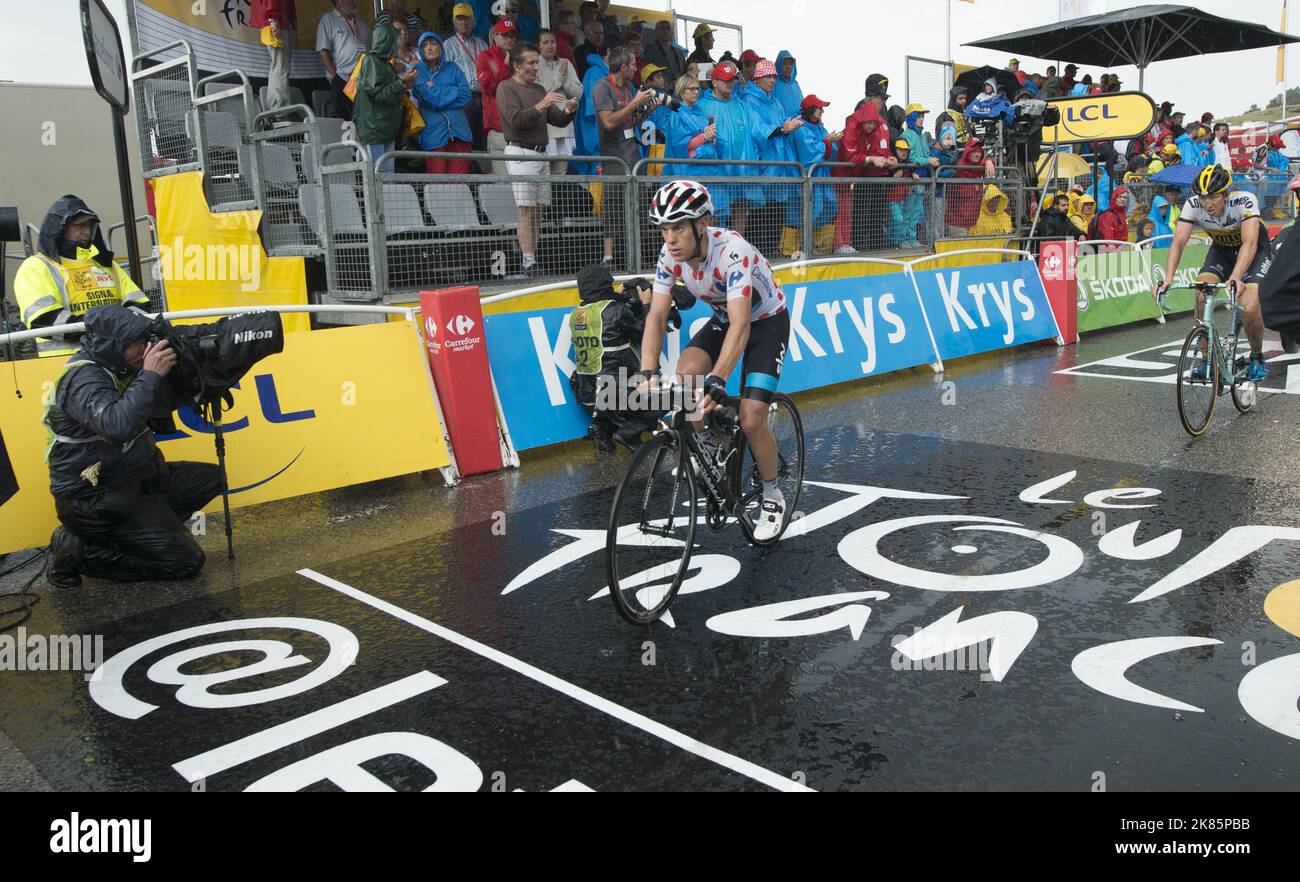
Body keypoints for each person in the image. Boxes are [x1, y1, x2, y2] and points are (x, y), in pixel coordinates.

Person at [637, 180, 792, 541]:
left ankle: (772, 492)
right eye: (663, 228)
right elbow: (657, 317)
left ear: (702, 224)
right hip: (725, 320)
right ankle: (705, 445)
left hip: (765, 323)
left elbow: (742, 323)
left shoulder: (732, 252)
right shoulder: (668, 258)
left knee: (753, 419)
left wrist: (719, 379)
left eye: (677, 227)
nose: (670, 238)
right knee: (687, 372)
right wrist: (646, 370)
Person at [42, 305, 224, 589]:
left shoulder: (123, 366)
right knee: (186, 562)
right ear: (113, 346)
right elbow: (118, 426)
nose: (146, 348)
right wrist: (150, 375)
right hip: (95, 499)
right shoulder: (84, 379)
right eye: (138, 344)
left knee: (210, 479)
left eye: (146, 341)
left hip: (135, 481)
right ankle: (80, 552)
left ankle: (146, 536)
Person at [1155, 165, 1273, 382]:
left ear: (1226, 194)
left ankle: (1257, 355)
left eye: (1213, 197)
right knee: (1201, 294)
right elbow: (1178, 242)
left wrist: (1236, 277)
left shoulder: (1244, 201)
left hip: (1254, 251)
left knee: (1250, 305)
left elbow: (1250, 242)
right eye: (1202, 197)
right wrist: (1168, 277)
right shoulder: (1193, 205)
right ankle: (1206, 360)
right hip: (1222, 250)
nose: (1207, 204)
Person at [15, 196, 152, 358]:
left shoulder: (105, 263)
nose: (86, 231)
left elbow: (140, 305)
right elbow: (43, 320)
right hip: (65, 364)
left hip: (116, 358)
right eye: (79, 226)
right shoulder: (36, 267)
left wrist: (113, 327)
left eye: (89, 225)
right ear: (60, 228)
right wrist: (107, 327)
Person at [497, 42, 579, 279]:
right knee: (525, 209)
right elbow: (515, 120)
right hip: (520, 153)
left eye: (536, 62)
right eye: (532, 63)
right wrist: (542, 104)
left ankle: (532, 259)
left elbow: (557, 120)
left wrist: (569, 110)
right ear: (517, 66)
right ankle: (528, 261)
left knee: (539, 209)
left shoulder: (538, 88)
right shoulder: (506, 88)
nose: (536, 67)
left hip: (542, 153)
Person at [568, 264, 664, 451]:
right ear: (605, 285)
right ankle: (629, 434)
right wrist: (646, 305)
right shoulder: (617, 311)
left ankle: (601, 428)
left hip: (587, 397)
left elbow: (603, 314)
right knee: (668, 397)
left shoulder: (576, 313)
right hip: (612, 396)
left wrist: (617, 297)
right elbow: (647, 334)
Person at [593, 45, 658, 270]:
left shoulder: (630, 86)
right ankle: (609, 258)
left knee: (638, 205)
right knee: (613, 205)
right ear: (622, 67)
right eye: (632, 64)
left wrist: (646, 111)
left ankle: (637, 253)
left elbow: (631, 121)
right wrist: (634, 104)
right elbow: (609, 122)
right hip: (613, 156)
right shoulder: (602, 87)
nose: (635, 68)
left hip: (632, 153)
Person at [698, 61, 766, 237]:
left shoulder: (743, 105)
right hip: (715, 171)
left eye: (733, 80)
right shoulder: (702, 106)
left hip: (741, 170)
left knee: (741, 208)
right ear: (714, 82)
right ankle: (712, 252)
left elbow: (759, 132)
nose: (730, 83)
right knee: (714, 212)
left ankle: (737, 247)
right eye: (726, 80)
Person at [742, 58, 803, 255]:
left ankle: (771, 249)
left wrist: (790, 125)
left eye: (774, 76)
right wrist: (783, 128)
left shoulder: (775, 101)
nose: (772, 80)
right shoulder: (749, 100)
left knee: (776, 207)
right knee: (760, 208)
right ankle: (757, 251)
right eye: (768, 76)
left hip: (778, 162)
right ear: (758, 78)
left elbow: (782, 125)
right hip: (764, 162)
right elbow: (757, 130)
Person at [354, 22, 416, 172]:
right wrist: (401, 83)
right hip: (374, 131)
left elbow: (389, 92)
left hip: (386, 130)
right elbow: (379, 95)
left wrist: (405, 85)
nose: (399, 44)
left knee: (387, 180)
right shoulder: (371, 61)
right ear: (386, 42)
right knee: (375, 178)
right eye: (396, 40)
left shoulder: (385, 64)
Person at [411, 32, 472, 174]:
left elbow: (466, 95)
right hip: (434, 134)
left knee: (460, 184)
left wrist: (435, 90)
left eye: (433, 43)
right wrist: (453, 90)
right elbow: (429, 98)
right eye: (425, 45)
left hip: (459, 132)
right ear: (420, 50)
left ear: (440, 47)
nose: (429, 48)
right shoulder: (417, 70)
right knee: (438, 186)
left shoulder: (453, 67)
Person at [792, 94, 841, 254]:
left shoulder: (820, 127)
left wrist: (830, 142)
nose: (822, 111)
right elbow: (808, 154)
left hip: (821, 179)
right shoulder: (801, 128)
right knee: (805, 213)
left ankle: (816, 247)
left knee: (823, 210)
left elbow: (830, 152)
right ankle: (795, 249)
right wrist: (828, 142)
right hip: (808, 179)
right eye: (819, 108)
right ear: (811, 109)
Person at [443, 3, 489, 155]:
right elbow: (445, 75)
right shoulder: (448, 46)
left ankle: (482, 172)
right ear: (454, 22)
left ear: (473, 20)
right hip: (464, 98)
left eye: (466, 18)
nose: (463, 22)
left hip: (483, 96)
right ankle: (468, 171)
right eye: (459, 19)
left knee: (482, 138)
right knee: (465, 137)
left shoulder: (482, 43)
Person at [536, 29, 582, 174]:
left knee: (561, 175)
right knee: (544, 172)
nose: (550, 45)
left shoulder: (565, 63)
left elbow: (578, 92)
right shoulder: (534, 63)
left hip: (565, 127)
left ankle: (556, 198)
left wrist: (564, 80)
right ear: (538, 46)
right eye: (545, 42)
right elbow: (539, 93)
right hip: (545, 127)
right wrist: (560, 77)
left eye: (553, 42)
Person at [316, 0, 372, 120]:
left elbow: (372, 51)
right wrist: (336, 77)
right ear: (340, 2)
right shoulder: (328, 19)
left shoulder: (362, 22)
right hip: (342, 79)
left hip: (363, 81)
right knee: (345, 122)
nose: (355, 2)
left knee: (364, 120)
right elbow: (322, 50)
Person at [477, 19, 518, 174]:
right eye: (505, 35)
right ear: (495, 37)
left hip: (520, 127)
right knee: (502, 182)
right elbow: (490, 88)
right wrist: (506, 64)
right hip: (498, 127)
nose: (509, 39)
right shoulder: (484, 56)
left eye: (512, 36)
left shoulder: (520, 56)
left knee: (522, 182)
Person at [250, 0, 298, 111]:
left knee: (279, 64)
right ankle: (279, 109)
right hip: (275, 18)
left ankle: (277, 107)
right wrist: (273, 18)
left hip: (276, 17)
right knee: (280, 65)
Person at [940, 138, 986, 237]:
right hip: (957, 222)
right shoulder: (960, 167)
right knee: (958, 251)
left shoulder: (976, 166)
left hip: (970, 221)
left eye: (979, 151)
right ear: (968, 152)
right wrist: (975, 188)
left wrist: (989, 162)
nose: (977, 154)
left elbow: (988, 161)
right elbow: (958, 192)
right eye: (974, 151)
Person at [886, 140, 924, 248]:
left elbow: (907, 171)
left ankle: (897, 241)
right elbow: (890, 175)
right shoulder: (892, 164)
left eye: (905, 150)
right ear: (895, 150)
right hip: (893, 199)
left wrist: (911, 174)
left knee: (900, 220)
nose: (903, 152)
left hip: (902, 198)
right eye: (900, 150)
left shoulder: (907, 166)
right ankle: (895, 241)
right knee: (898, 219)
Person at [643, 19, 686, 87]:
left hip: (679, 90)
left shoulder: (679, 52)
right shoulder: (650, 51)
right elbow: (647, 76)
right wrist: (666, 85)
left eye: (668, 28)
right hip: (660, 92)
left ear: (672, 32)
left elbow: (684, 72)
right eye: (662, 28)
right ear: (656, 32)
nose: (665, 31)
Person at [772, 50, 803, 119]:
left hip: (799, 126)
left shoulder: (795, 84)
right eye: (784, 64)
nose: (788, 67)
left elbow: (802, 106)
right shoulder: (773, 84)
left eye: (790, 64)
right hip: (784, 126)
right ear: (779, 65)